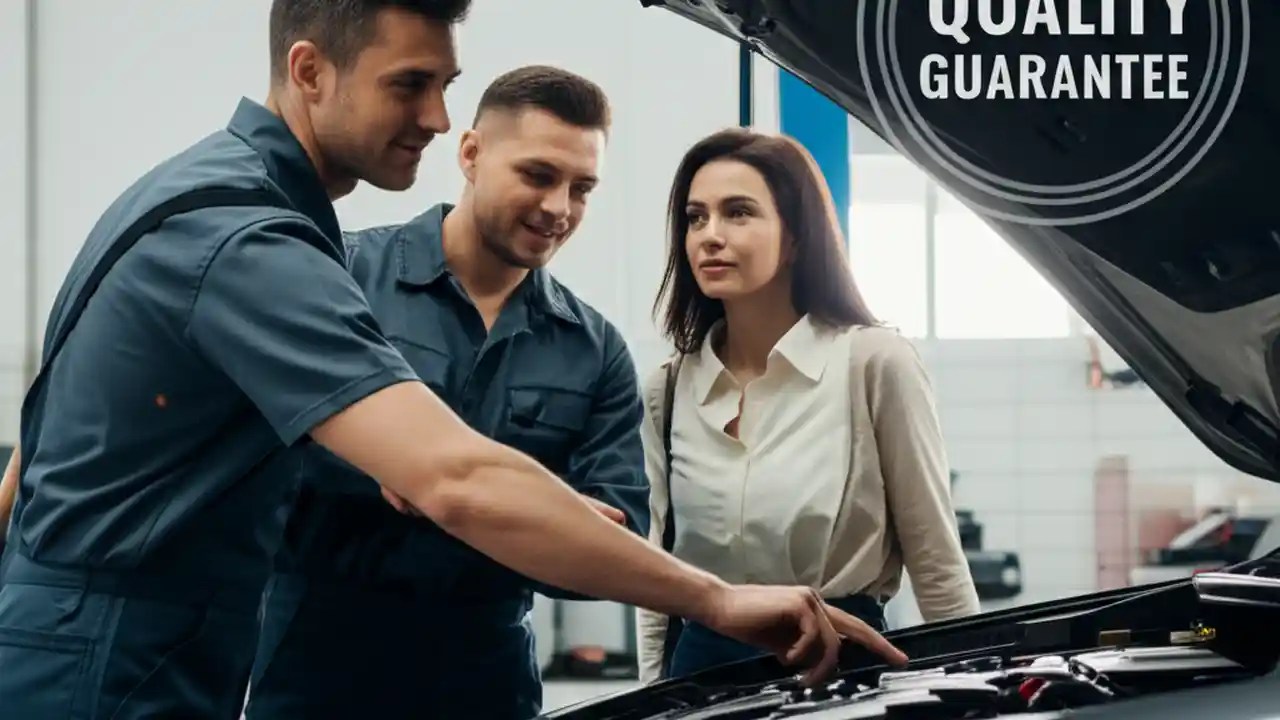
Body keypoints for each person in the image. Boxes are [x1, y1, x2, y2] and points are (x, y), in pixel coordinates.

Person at [0, 1, 906, 717]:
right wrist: (715, 600)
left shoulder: (202, 196)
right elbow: (461, 481)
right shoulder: (261, 247)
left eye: (445, 85)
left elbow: (31, 454)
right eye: (410, 84)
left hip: (376, 664)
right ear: (309, 71)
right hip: (139, 662)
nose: (435, 117)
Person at [244, 65, 648, 720]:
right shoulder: (339, 277)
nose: (559, 208)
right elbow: (258, 444)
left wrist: (450, 492)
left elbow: (618, 531)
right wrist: (396, 473)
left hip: (488, 680)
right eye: (539, 175)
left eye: (582, 188)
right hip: (315, 666)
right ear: (470, 153)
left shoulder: (595, 350)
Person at [636, 128, 979, 683]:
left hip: (840, 669)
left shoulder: (874, 362)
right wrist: (650, 693)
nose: (709, 236)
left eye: (738, 213)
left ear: (796, 238)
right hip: (700, 677)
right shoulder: (667, 387)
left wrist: (970, 687)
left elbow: (937, 561)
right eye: (696, 218)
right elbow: (657, 571)